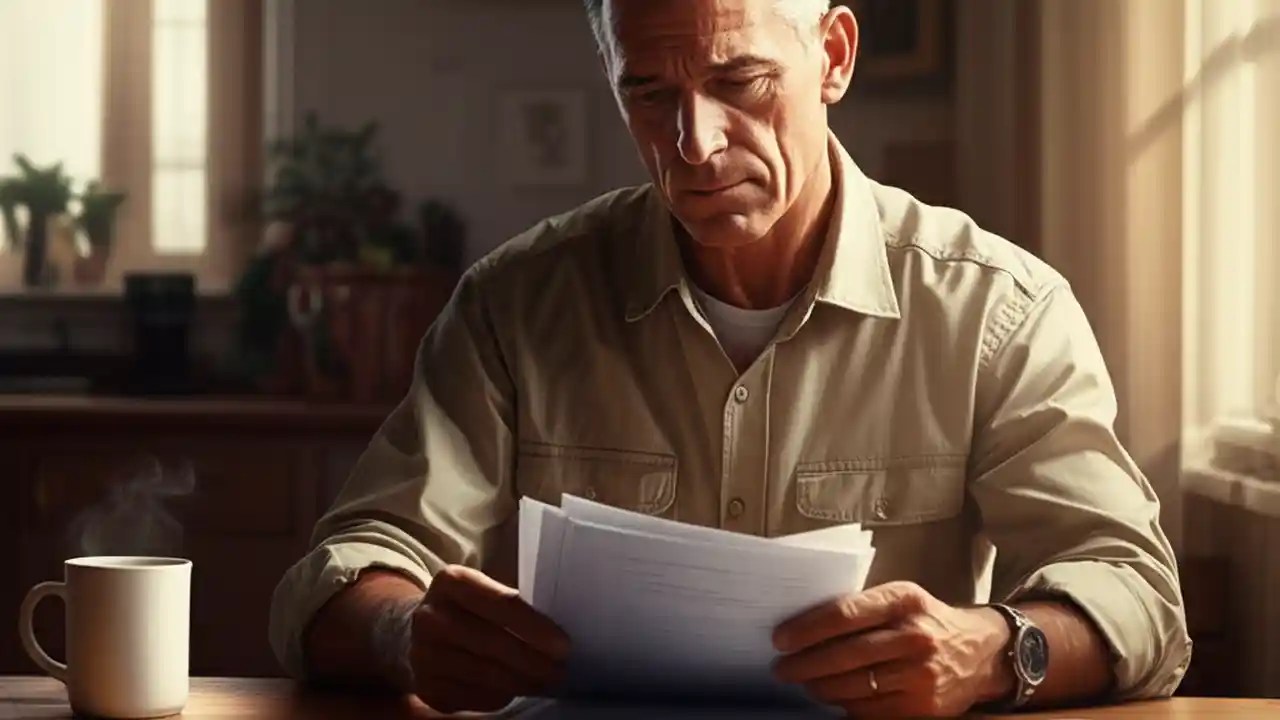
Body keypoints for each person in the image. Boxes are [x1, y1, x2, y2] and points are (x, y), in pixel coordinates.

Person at [269, 0, 1190, 716]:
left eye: (740, 80)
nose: (695, 145)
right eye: (649, 94)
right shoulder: (515, 305)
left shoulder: (996, 311)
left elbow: (1136, 594)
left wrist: (990, 652)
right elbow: (341, 571)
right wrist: (404, 634)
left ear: (833, 56)